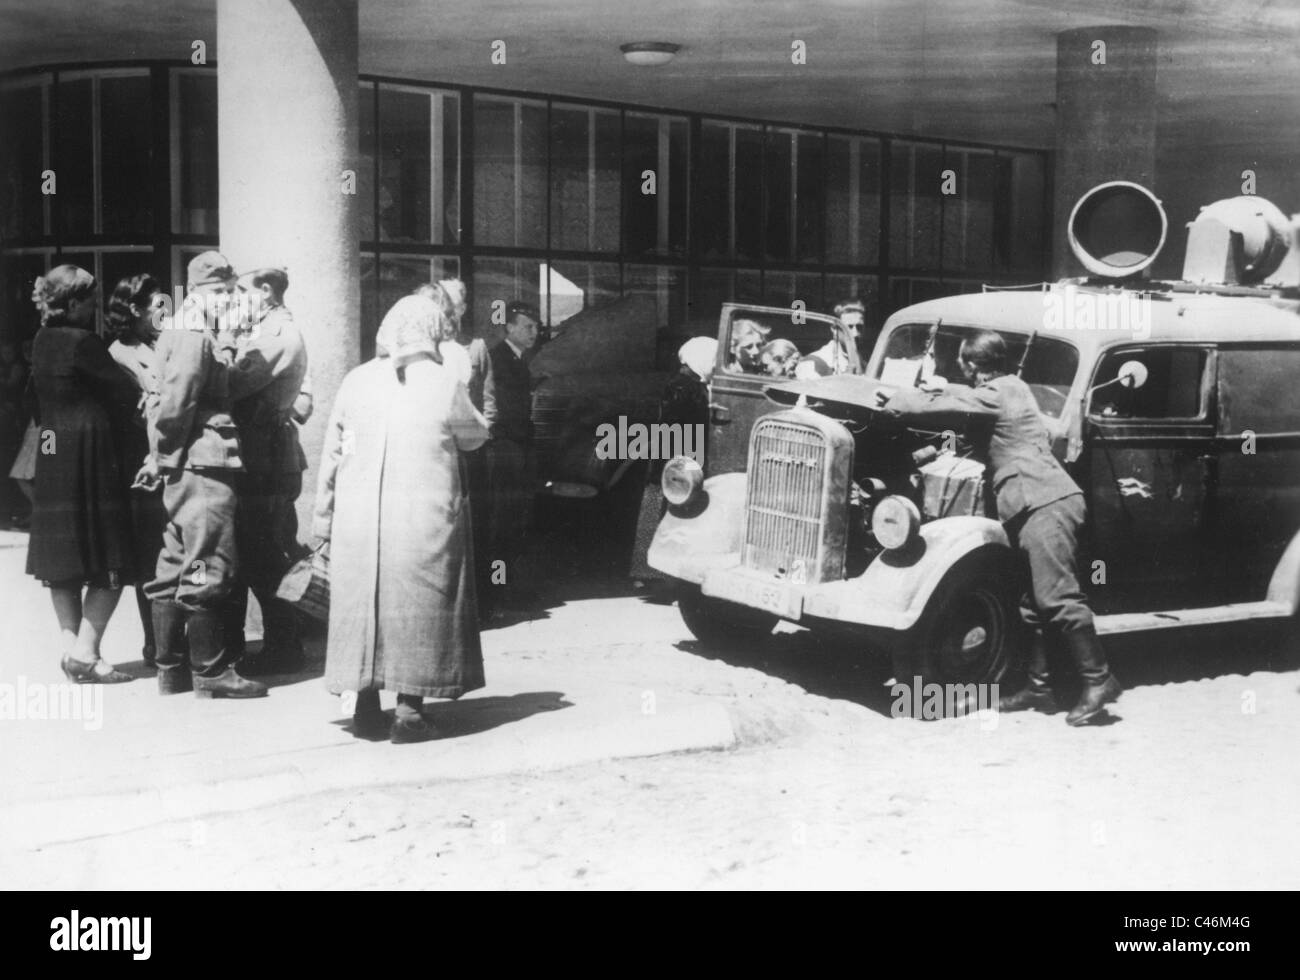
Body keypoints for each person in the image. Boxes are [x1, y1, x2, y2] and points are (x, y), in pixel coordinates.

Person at [879, 329, 1121, 726]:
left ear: (973, 366)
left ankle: (1099, 681)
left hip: (1045, 502)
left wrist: (896, 400)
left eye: (965, 367)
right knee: (1031, 606)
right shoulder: (1008, 393)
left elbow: (951, 400)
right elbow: (965, 441)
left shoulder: (1002, 390)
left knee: (1057, 599)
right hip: (1031, 505)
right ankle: (1040, 688)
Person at [313, 295, 489, 743]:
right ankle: (409, 710)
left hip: (360, 516)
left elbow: (333, 454)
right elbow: (473, 438)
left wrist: (322, 520)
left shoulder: (357, 380)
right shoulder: (442, 381)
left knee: (363, 604)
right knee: (420, 604)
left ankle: (365, 708)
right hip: (421, 515)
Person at [136, 251, 266, 699]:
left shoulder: (185, 329)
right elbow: (178, 403)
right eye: (227, 293)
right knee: (208, 561)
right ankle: (209, 672)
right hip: (202, 462)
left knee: (175, 563)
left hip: (185, 463)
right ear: (208, 292)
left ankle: (170, 670)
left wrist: (162, 459)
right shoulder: (192, 334)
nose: (233, 300)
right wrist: (165, 456)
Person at [24, 265, 137, 683]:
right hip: (90, 453)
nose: (94, 307)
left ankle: (73, 650)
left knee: (64, 562)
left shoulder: (42, 339)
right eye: (89, 300)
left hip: (55, 453)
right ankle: (87, 653)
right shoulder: (84, 342)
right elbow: (124, 392)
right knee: (112, 560)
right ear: (72, 303)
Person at [220, 267, 310, 675]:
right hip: (262, 457)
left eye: (242, 291)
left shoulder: (275, 337)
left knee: (265, 554)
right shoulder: (265, 332)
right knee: (256, 551)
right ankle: (270, 645)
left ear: (267, 291)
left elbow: (229, 386)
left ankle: (284, 647)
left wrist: (221, 343)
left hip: (263, 460)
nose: (236, 299)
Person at [417, 279, 498, 616]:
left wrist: (480, 434)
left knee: (467, 527)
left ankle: (478, 601)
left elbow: (486, 401)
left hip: (463, 449)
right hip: (437, 451)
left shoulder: (465, 351)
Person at [105, 273, 170, 666]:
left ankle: (180, 635)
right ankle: (157, 642)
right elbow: (133, 415)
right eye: (157, 304)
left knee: (186, 556)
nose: (165, 310)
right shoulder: (119, 355)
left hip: (174, 463)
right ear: (135, 310)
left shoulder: (163, 343)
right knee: (151, 558)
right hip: (145, 469)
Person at [629, 336, 717, 582]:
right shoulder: (684, 387)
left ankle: (648, 573)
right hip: (675, 460)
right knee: (664, 513)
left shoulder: (685, 383)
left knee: (658, 512)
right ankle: (652, 573)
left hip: (670, 459)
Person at [485, 301, 540, 612]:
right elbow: (506, 411)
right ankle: (498, 591)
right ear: (509, 327)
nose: (534, 332)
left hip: (517, 449)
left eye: (535, 327)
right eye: (527, 326)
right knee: (502, 527)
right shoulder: (500, 360)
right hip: (507, 449)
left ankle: (508, 589)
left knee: (514, 525)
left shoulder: (517, 360)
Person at [798, 298, 867, 378]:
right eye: (849, 327)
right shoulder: (814, 362)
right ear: (834, 328)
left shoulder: (863, 364)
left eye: (859, 327)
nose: (855, 334)